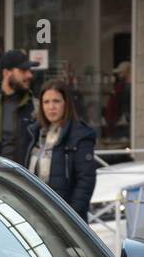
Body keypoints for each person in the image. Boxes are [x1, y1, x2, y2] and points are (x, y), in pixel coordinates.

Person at [23, 80, 98, 220]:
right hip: (35, 212)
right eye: (46, 102)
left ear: (66, 103)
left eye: (56, 101)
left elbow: (86, 181)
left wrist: (72, 216)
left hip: (65, 218)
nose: (51, 107)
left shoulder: (81, 134)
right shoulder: (35, 132)